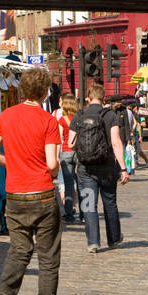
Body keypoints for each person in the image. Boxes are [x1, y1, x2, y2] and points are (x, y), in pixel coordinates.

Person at [0, 67, 63, 295]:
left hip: (15, 196)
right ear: (44, 91)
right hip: (41, 194)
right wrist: (53, 169)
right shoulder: (48, 121)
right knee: (48, 258)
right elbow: (52, 164)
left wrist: (15, 163)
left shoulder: (6, 116)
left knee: (19, 252)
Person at [70, 84, 129, 252]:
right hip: (107, 167)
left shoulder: (79, 115)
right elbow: (116, 142)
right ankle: (114, 238)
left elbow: (70, 143)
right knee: (109, 202)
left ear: (88, 98)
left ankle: (93, 242)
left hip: (85, 168)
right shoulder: (110, 115)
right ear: (104, 99)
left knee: (89, 205)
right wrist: (123, 169)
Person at [55, 94, 80, 222]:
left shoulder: (62, 120)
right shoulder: (79, 118)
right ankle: (83, 214)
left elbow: (59, 139)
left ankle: (69, 214)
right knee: (81, 183)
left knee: (68, 185)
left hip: (65, 152)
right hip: (78, 153)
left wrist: (57, 157)